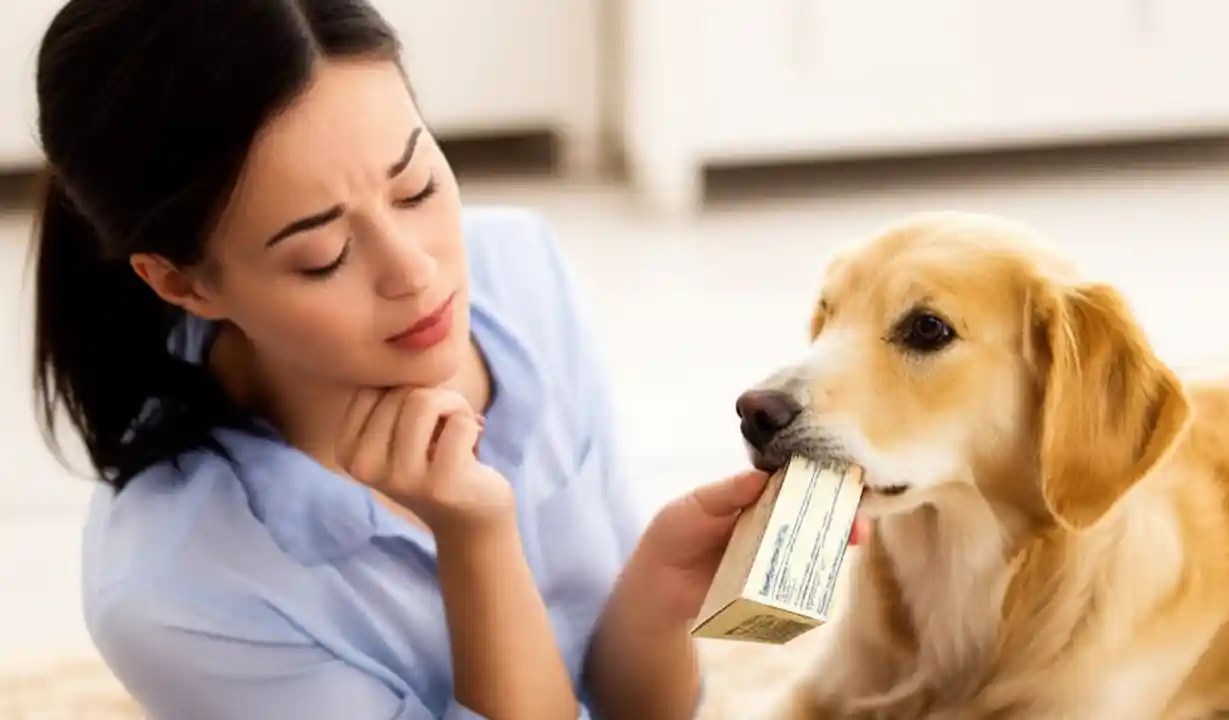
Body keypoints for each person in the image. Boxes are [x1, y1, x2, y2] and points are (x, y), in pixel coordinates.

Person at [30, 1, 776, 718]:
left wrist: (659, 586)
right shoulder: (173, 594)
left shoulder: (519, 273)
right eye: (323, 255)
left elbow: (643, 710)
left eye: (416, 186)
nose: (416, 272)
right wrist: (474, 540)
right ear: (182, 282)